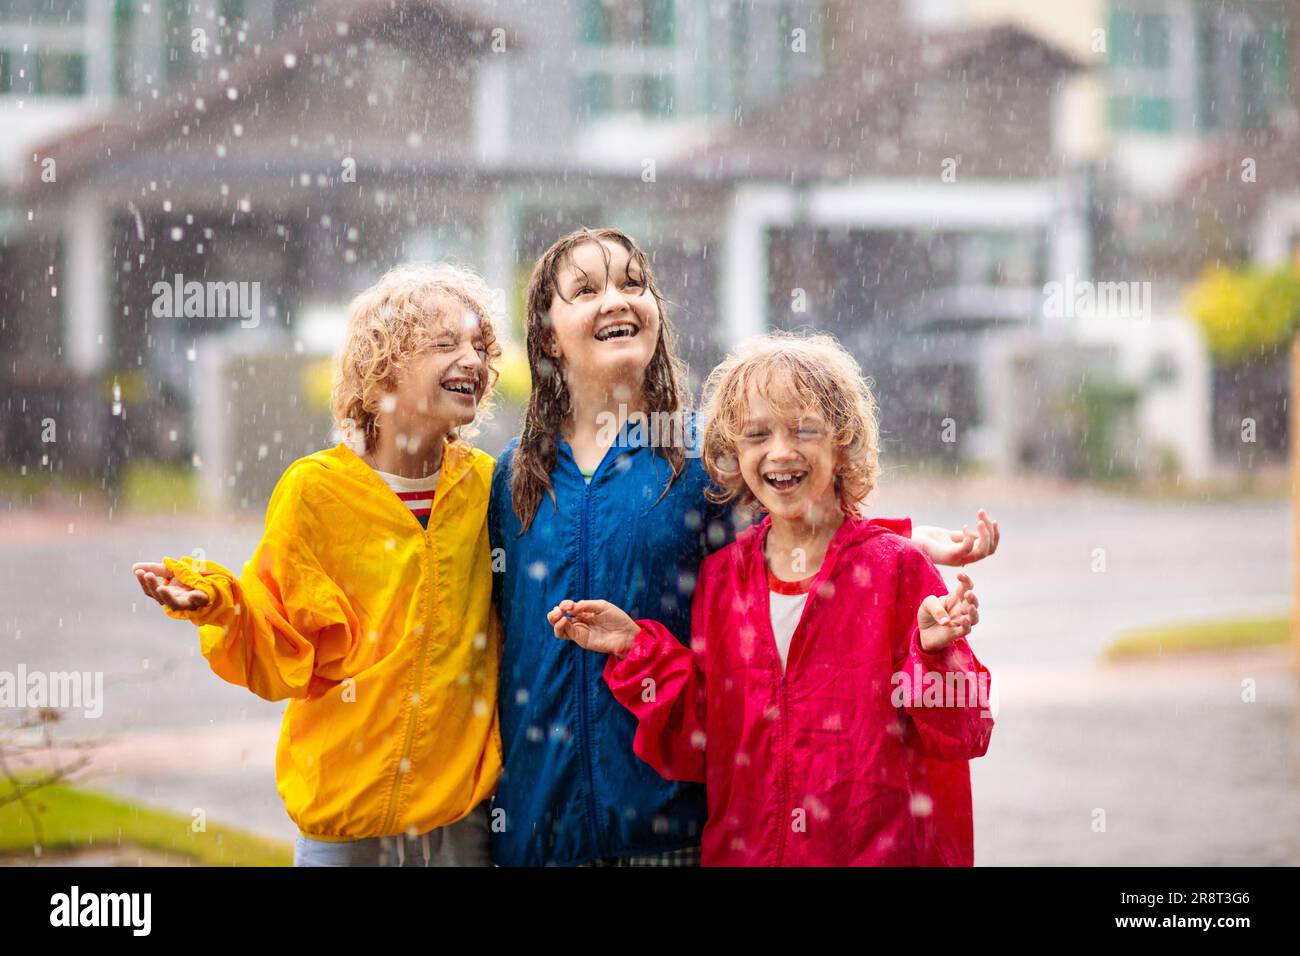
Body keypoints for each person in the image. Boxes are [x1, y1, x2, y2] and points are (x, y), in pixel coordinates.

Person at [490, 228, 1000, 866]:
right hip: (543, 827)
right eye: (586, 289)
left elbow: (812, 532)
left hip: (667, 824)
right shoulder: (515, 475)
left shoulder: (697, 459)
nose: (615, 299)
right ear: (545, 335)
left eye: (631, 282)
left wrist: (908, 550)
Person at [131, 264, 504, 866]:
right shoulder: (315, 491)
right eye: (446, 344)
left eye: (480, 347)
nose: (473, 360)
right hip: (343, 818)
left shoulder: (490, 488)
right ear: (382, 368)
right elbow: (277, 634)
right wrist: (218, 603)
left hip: (461, 819)